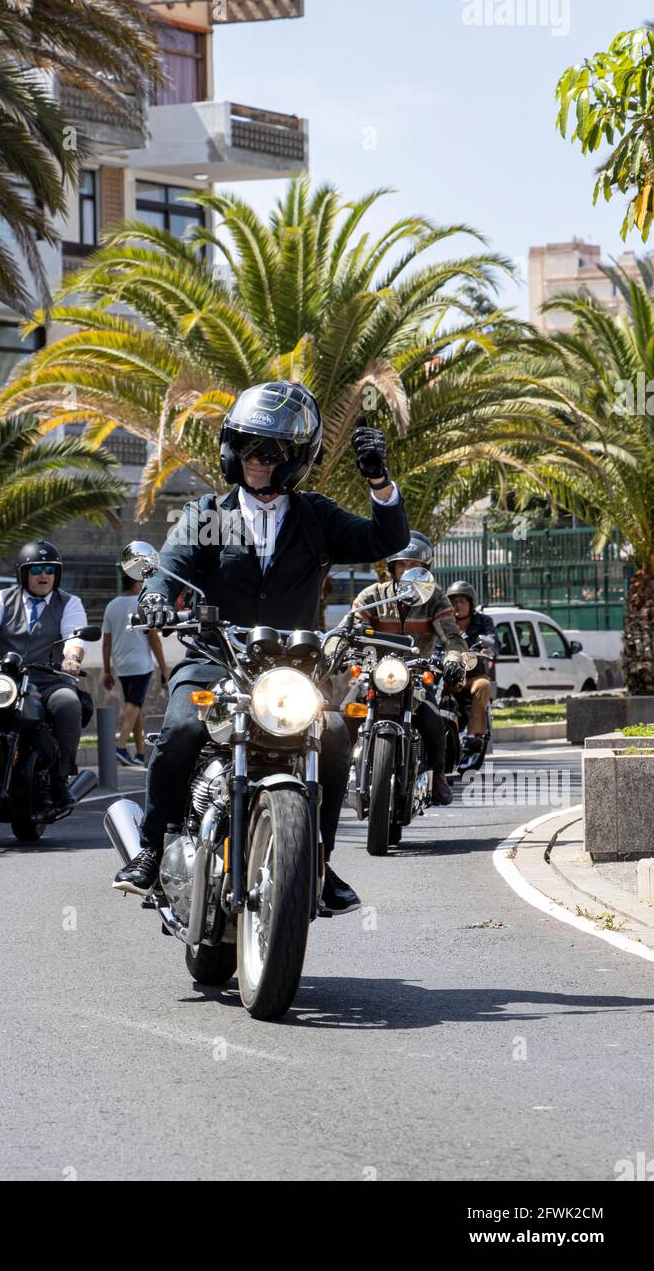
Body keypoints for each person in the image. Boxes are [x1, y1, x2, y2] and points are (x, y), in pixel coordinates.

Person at [112, 380, 410, 916]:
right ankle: (152, 849)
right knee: (181, 727)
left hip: (289, 670)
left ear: (295, 459)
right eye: (248, 446)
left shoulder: (316, 517)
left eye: (271, 451)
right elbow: (172, 566)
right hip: (214, 660)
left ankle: (315, 860)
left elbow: (384, 542)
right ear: (232, 448)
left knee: (337, 734)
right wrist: (157, 599)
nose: (256, 459)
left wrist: (379, 480)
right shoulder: (208, 513)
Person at [0, 539, 86, 809]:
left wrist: (71, 658)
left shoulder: (70, 603)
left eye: (49, 569)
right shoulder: (3, 599)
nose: (43, 575)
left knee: (68, 703)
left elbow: (74, 637)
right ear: (23, 574)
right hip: (6, 678)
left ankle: (59, 779)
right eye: (36, 570)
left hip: (48, 680)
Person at [351, 532, 468, 805]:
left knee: (433, 722)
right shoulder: (373, 595)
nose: (407, 572)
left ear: (426, 571)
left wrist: (453, 658)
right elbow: (350, 628)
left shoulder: (436, 599)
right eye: (402, 566)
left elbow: (452, 637)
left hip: (415, 674)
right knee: (339, 720)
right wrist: (338, 649)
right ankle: (334, 773)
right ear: (392, 569)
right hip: (374, 674)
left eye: (414, 567)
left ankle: (438, 774)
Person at [102, 573, 169, 768]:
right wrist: (165, 669)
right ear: (137, 584)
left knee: (136, 706)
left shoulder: (111, 606)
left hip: (121, 666)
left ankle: (141, 753)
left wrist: (107, 670)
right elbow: (154, 639)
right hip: (141, 665)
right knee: (134, 704)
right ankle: (120, 746)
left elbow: (106, 642)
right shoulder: (142, 604)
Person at [446, 580, 497, 757]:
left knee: (483, 685)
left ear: (471, 603)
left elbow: (493, 639)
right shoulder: (445, 622)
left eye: (462, 601)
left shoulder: (483, 621)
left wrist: (488, 648)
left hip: (473, 676)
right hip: (449, 676)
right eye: (453, 602)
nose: (457, 605)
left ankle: (472, 735)